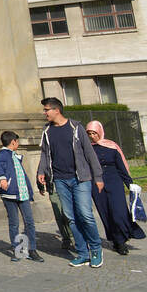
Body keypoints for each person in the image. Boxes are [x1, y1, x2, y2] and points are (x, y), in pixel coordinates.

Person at [36, 97, 105, 268]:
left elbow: (89, 153)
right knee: (71, 218)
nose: (45, 113)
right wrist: (41, 171)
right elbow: (45, 153)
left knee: (85, 215)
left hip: (80, 178)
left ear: (57, 110)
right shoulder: (47, 131)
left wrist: (98, 177)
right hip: (60, 180)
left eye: (47, 110)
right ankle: (82, 253)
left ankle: (96, 249)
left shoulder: (76, 127)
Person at [86, 121, 146, 255]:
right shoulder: (88, 149)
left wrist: (130, 184)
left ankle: (124, 235)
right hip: (97, 185)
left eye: (94, 133)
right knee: (105, 212)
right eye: (89, 134)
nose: (92, 136)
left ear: (100, 132)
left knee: (119, 212)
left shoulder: (111, 146)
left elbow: (121, 167)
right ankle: (117, 241)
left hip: (115, 182)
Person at [0, 131, 43, 261]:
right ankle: (17, 250)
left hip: (22, 194)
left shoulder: (13, 155)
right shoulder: (3, 154)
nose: (18, 144)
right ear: (13, 142)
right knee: (14, 223)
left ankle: (31, 249)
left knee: (29, 222)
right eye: (17, 141)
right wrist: (2, 178)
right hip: (10, 194)